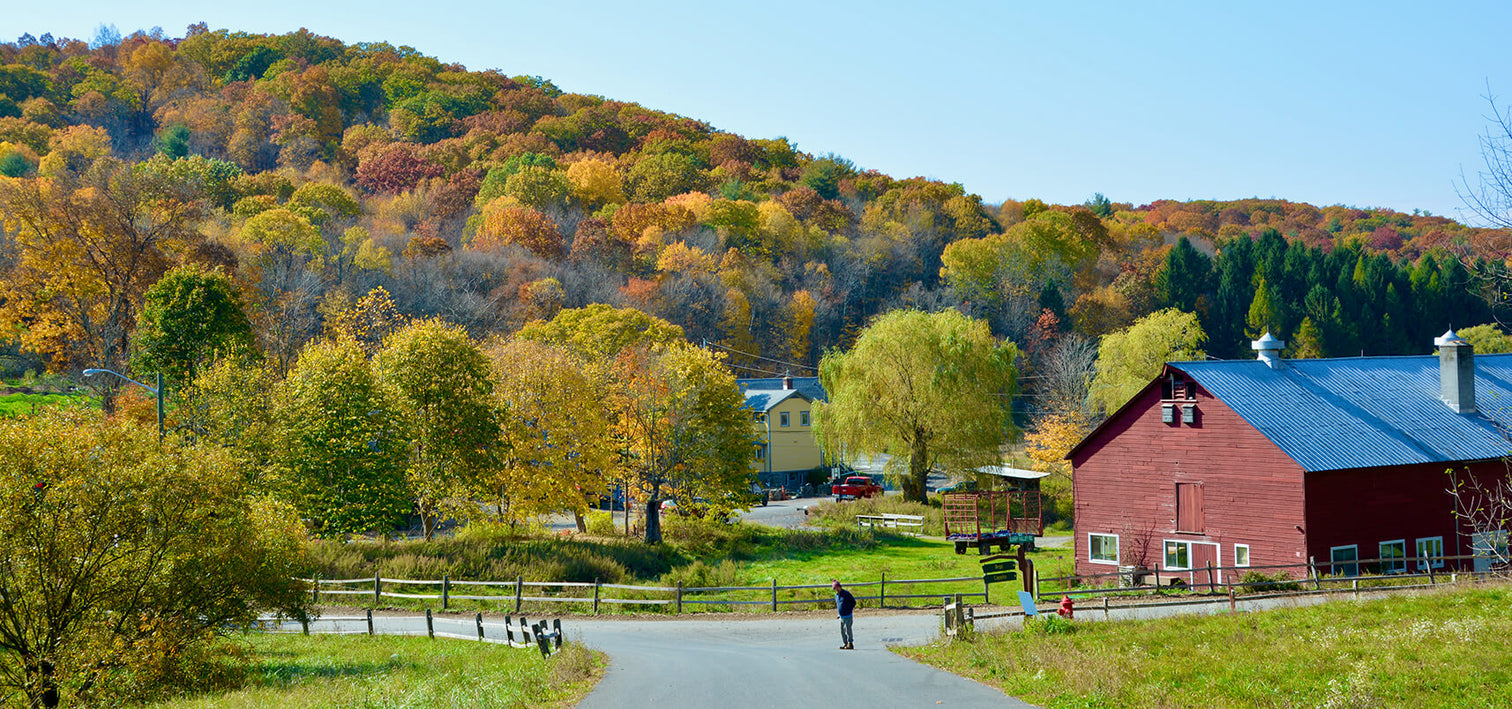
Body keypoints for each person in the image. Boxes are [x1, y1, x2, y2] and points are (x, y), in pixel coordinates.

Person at [832, 580, 855, 649]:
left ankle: (850, 643)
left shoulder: (846, 594)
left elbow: (853, 602)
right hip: (841, 616)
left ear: (840, 587)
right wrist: (839, 614)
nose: (836, 589)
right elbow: (839, 605)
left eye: (837, 587)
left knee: (848, 630)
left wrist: (849, 609)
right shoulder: (836, 596)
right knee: (842, 631)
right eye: (835, 588)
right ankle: (845, 643)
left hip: (848, 615)